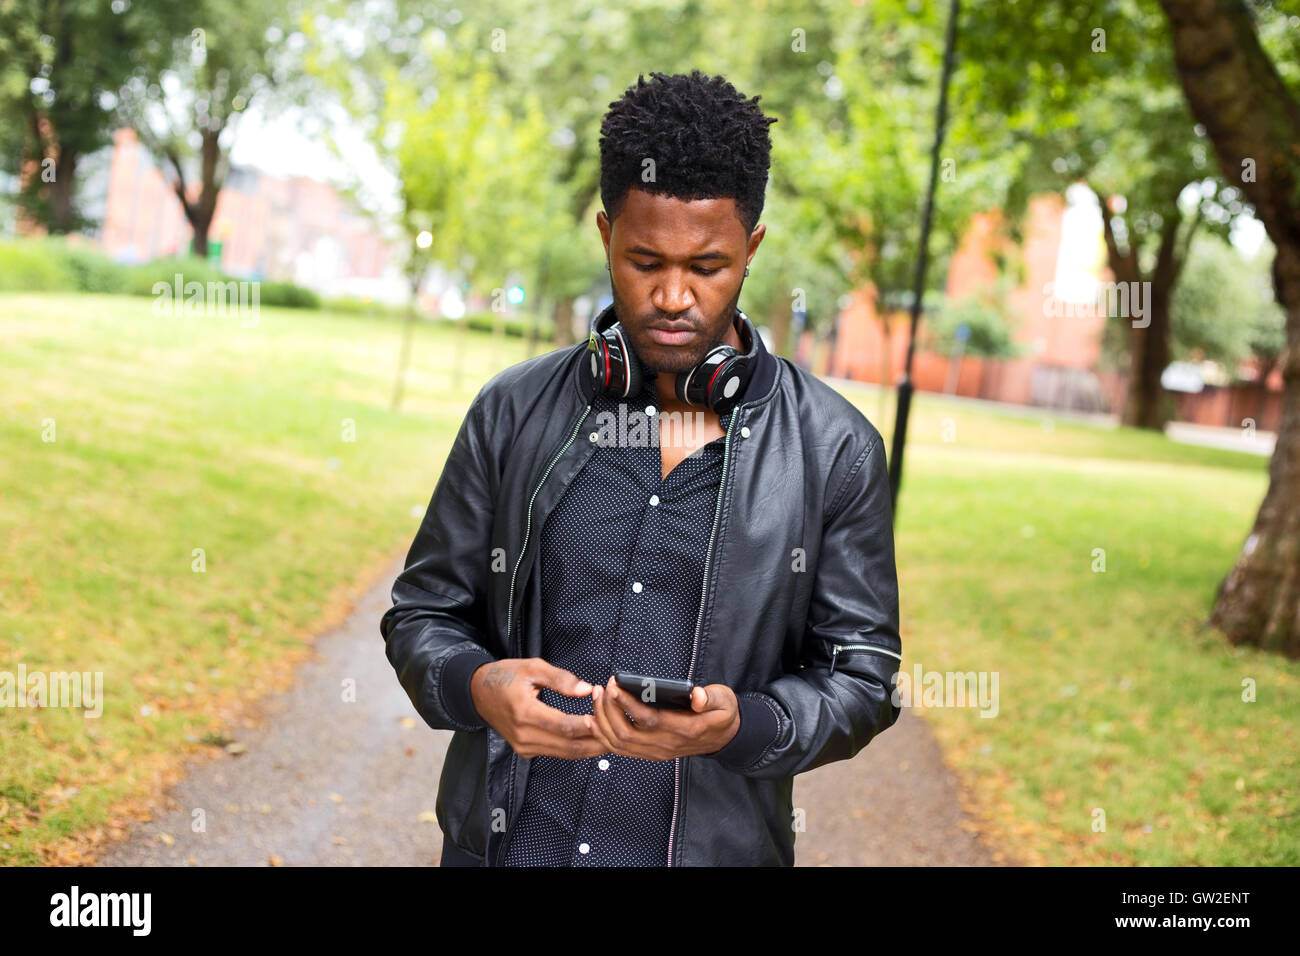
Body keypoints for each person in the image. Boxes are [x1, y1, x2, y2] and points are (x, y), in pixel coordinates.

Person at [381, 70, 902, 867]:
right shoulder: (511, 411)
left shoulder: (837, 451)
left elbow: (863, 678)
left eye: (708, 267)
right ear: (605, 235)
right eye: (645, 260)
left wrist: (743, 725)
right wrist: (476, 686)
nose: (672, 296)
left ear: (752, 250)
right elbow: (423, 613)